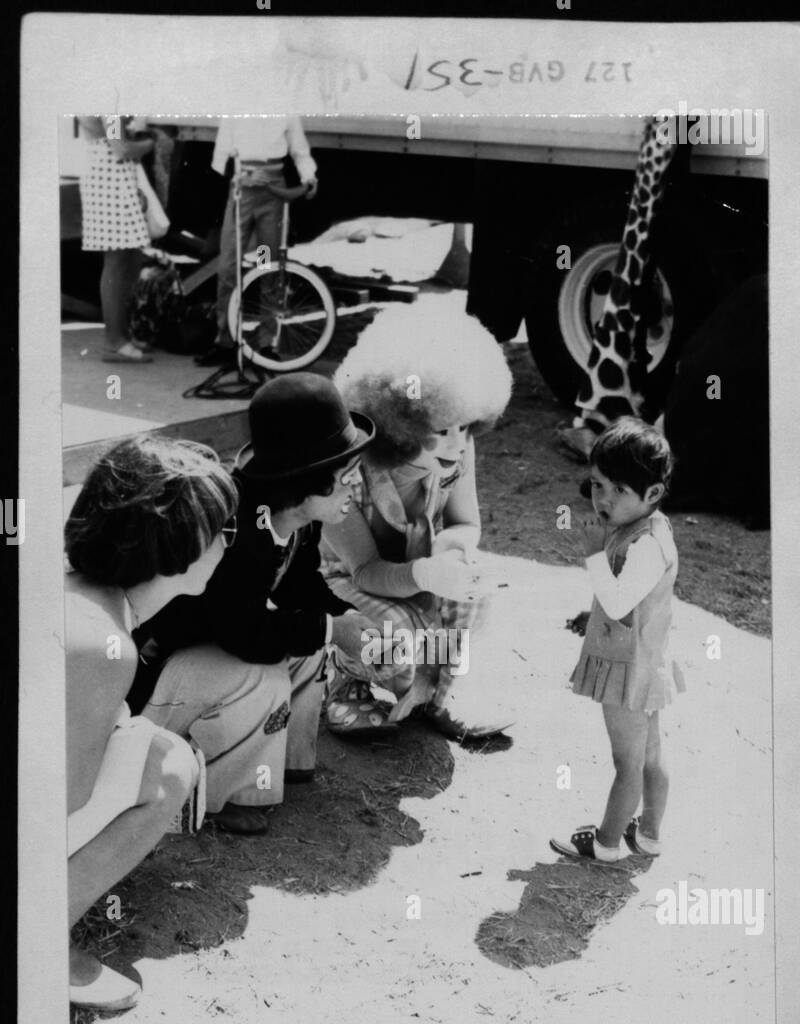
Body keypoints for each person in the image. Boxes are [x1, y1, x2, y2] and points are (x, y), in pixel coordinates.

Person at [130, 374, 377, 835]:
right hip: (155, 671)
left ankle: (284, 760)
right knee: (260, 675)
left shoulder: (297, 518)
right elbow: (243, 635)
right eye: (346, 477)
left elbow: (297, 585)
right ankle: (227, 793)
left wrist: (344, 618)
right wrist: (329, 628)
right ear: (308, 482)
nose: (356, 486)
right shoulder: (234, 529)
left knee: (307, 650)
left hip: (208, 645)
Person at [66, 436, 239, 1010]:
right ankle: (37, 946)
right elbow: (48, 811)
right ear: (180, 545)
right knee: (168, 767)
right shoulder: (101, 646)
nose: (226, 546)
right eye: (222, 533)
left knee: (153, 749)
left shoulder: (80, 595)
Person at [319, 300, 513, 740]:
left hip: (416, 577)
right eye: (441, 430)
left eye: (465, 427)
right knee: (396, 632)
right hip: (342, 585)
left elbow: (466, 523)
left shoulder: (458, 454)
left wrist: (452, 555)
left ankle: (435, 695)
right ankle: (342, 679)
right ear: (399, 424)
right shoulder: (348, 471)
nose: (458, 443)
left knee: (475, 596)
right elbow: (364, 571)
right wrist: (427, 574)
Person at [550, 418, 685, 864]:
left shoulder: (646, 543)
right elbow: (632, 601)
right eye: (597, 485)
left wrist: (591, 552)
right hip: (648, 661)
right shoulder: (647, 527)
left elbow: (619, 595)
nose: (603, 499)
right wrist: (593, 616)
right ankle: (648, 834)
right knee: (649, 755)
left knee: (627, 762)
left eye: (618, 491)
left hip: (628, 671)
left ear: (653, 495)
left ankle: (606, 843)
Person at [196, 116, 319, 367]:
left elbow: (300, 151)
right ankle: (225, 340)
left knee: (266, 267)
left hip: (271, 194)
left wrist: (309, 177)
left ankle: (266, 343)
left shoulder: (285, 107)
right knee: (229, 265)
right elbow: (220, 157)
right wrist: (238, 174)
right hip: (243, 192)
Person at [77, 116, 158, 363]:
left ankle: (121, 334)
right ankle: (114, 341)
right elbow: (120, 148)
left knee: (129, 256)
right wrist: (150, 144)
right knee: (117, 259)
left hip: (110, 173)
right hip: (109, 174)